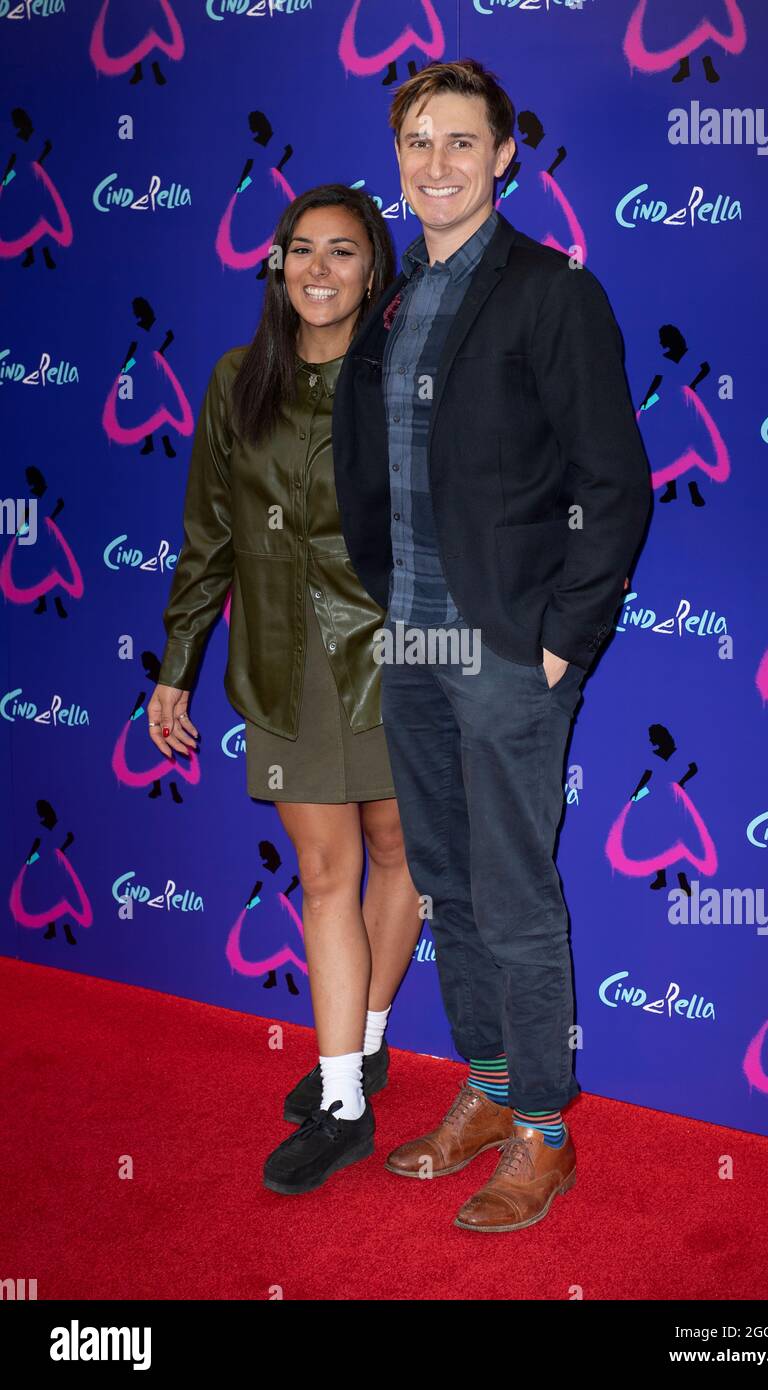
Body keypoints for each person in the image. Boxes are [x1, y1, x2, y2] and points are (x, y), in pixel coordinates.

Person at [332, 61, 652, 1232]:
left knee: (514, 896)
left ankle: (545, 1134)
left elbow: (613, 486)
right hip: (408, 641)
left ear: (505, 154)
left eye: (460, 142)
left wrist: (560, 643)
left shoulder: (552, 294)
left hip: (508, 652)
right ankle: (486, 1085)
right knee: (449, 886)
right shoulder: (391, 296)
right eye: (417, 141)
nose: (435, 164)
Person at [149, 185, 423, 1196]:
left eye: (341, 252)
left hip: (395, 655)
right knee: (322, 873)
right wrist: (176, 663)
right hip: (281, 658)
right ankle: (342, 1099)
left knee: (401, 853)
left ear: (372, 269)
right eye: (298, 250)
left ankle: (370, 1034)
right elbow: (208, 534)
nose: (316, 269)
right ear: (275, 266)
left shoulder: (402, 375)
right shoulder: (236, 379)